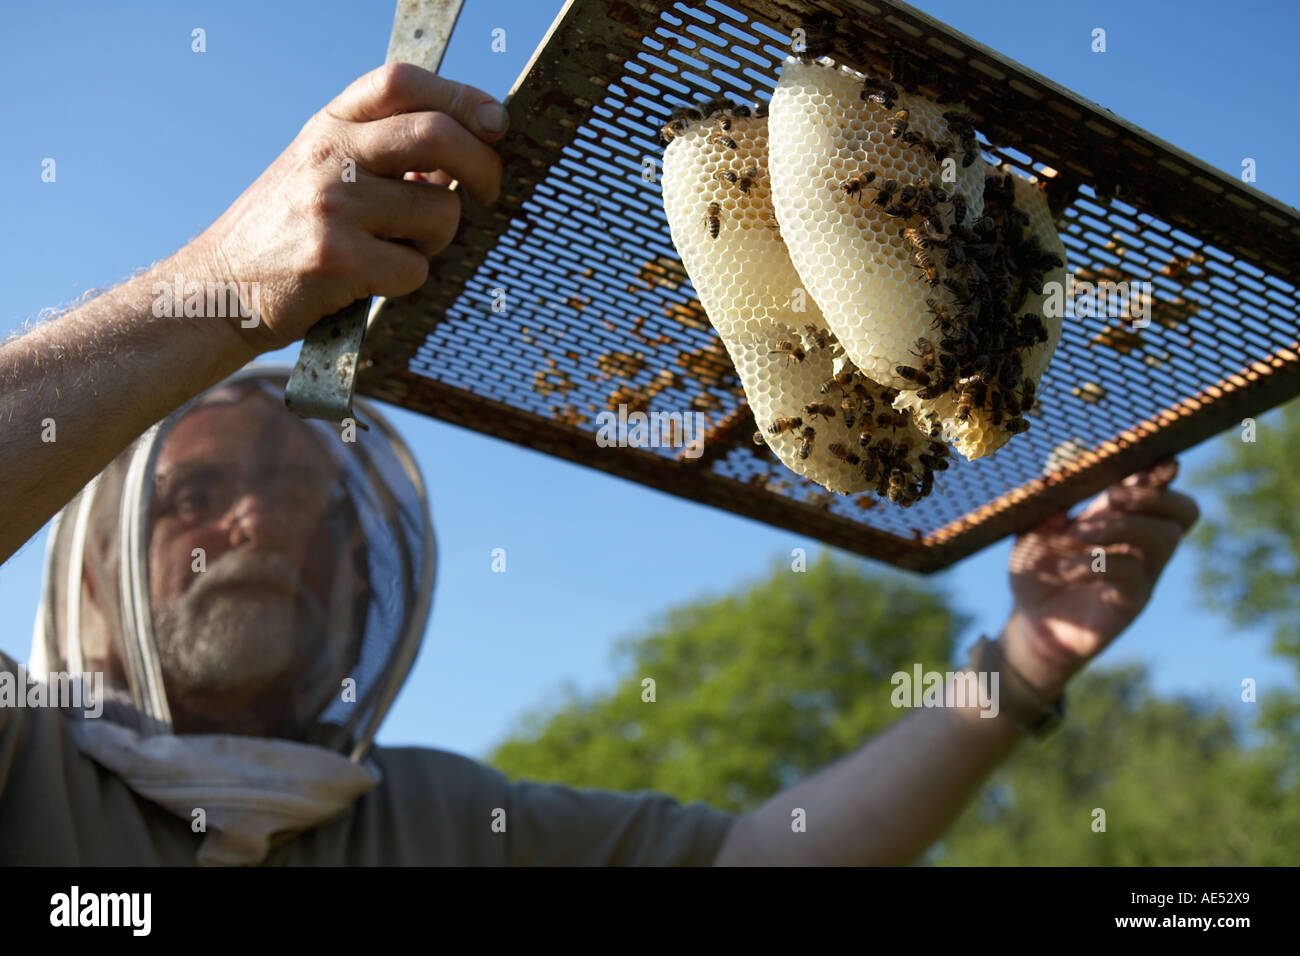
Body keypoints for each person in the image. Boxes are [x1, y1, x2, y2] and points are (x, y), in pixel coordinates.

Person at [0, 65, 1200, 865]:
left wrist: (1023, 659)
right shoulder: (23, 762)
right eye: (196, 495)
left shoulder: (444, 826)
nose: (259, 522)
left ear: (373, 578)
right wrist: (212, 291)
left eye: (310, 500)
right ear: (91, 567)